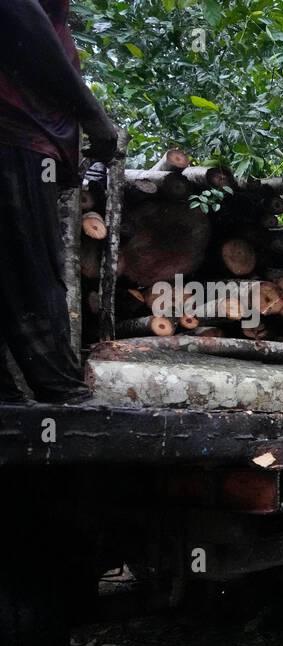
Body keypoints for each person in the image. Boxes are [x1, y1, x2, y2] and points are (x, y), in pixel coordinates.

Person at [0, 0, 123, 405]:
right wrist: (91, 112)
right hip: (17, 127)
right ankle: (60, 388)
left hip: (24, 129)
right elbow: (21, 13)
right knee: (29, 262)